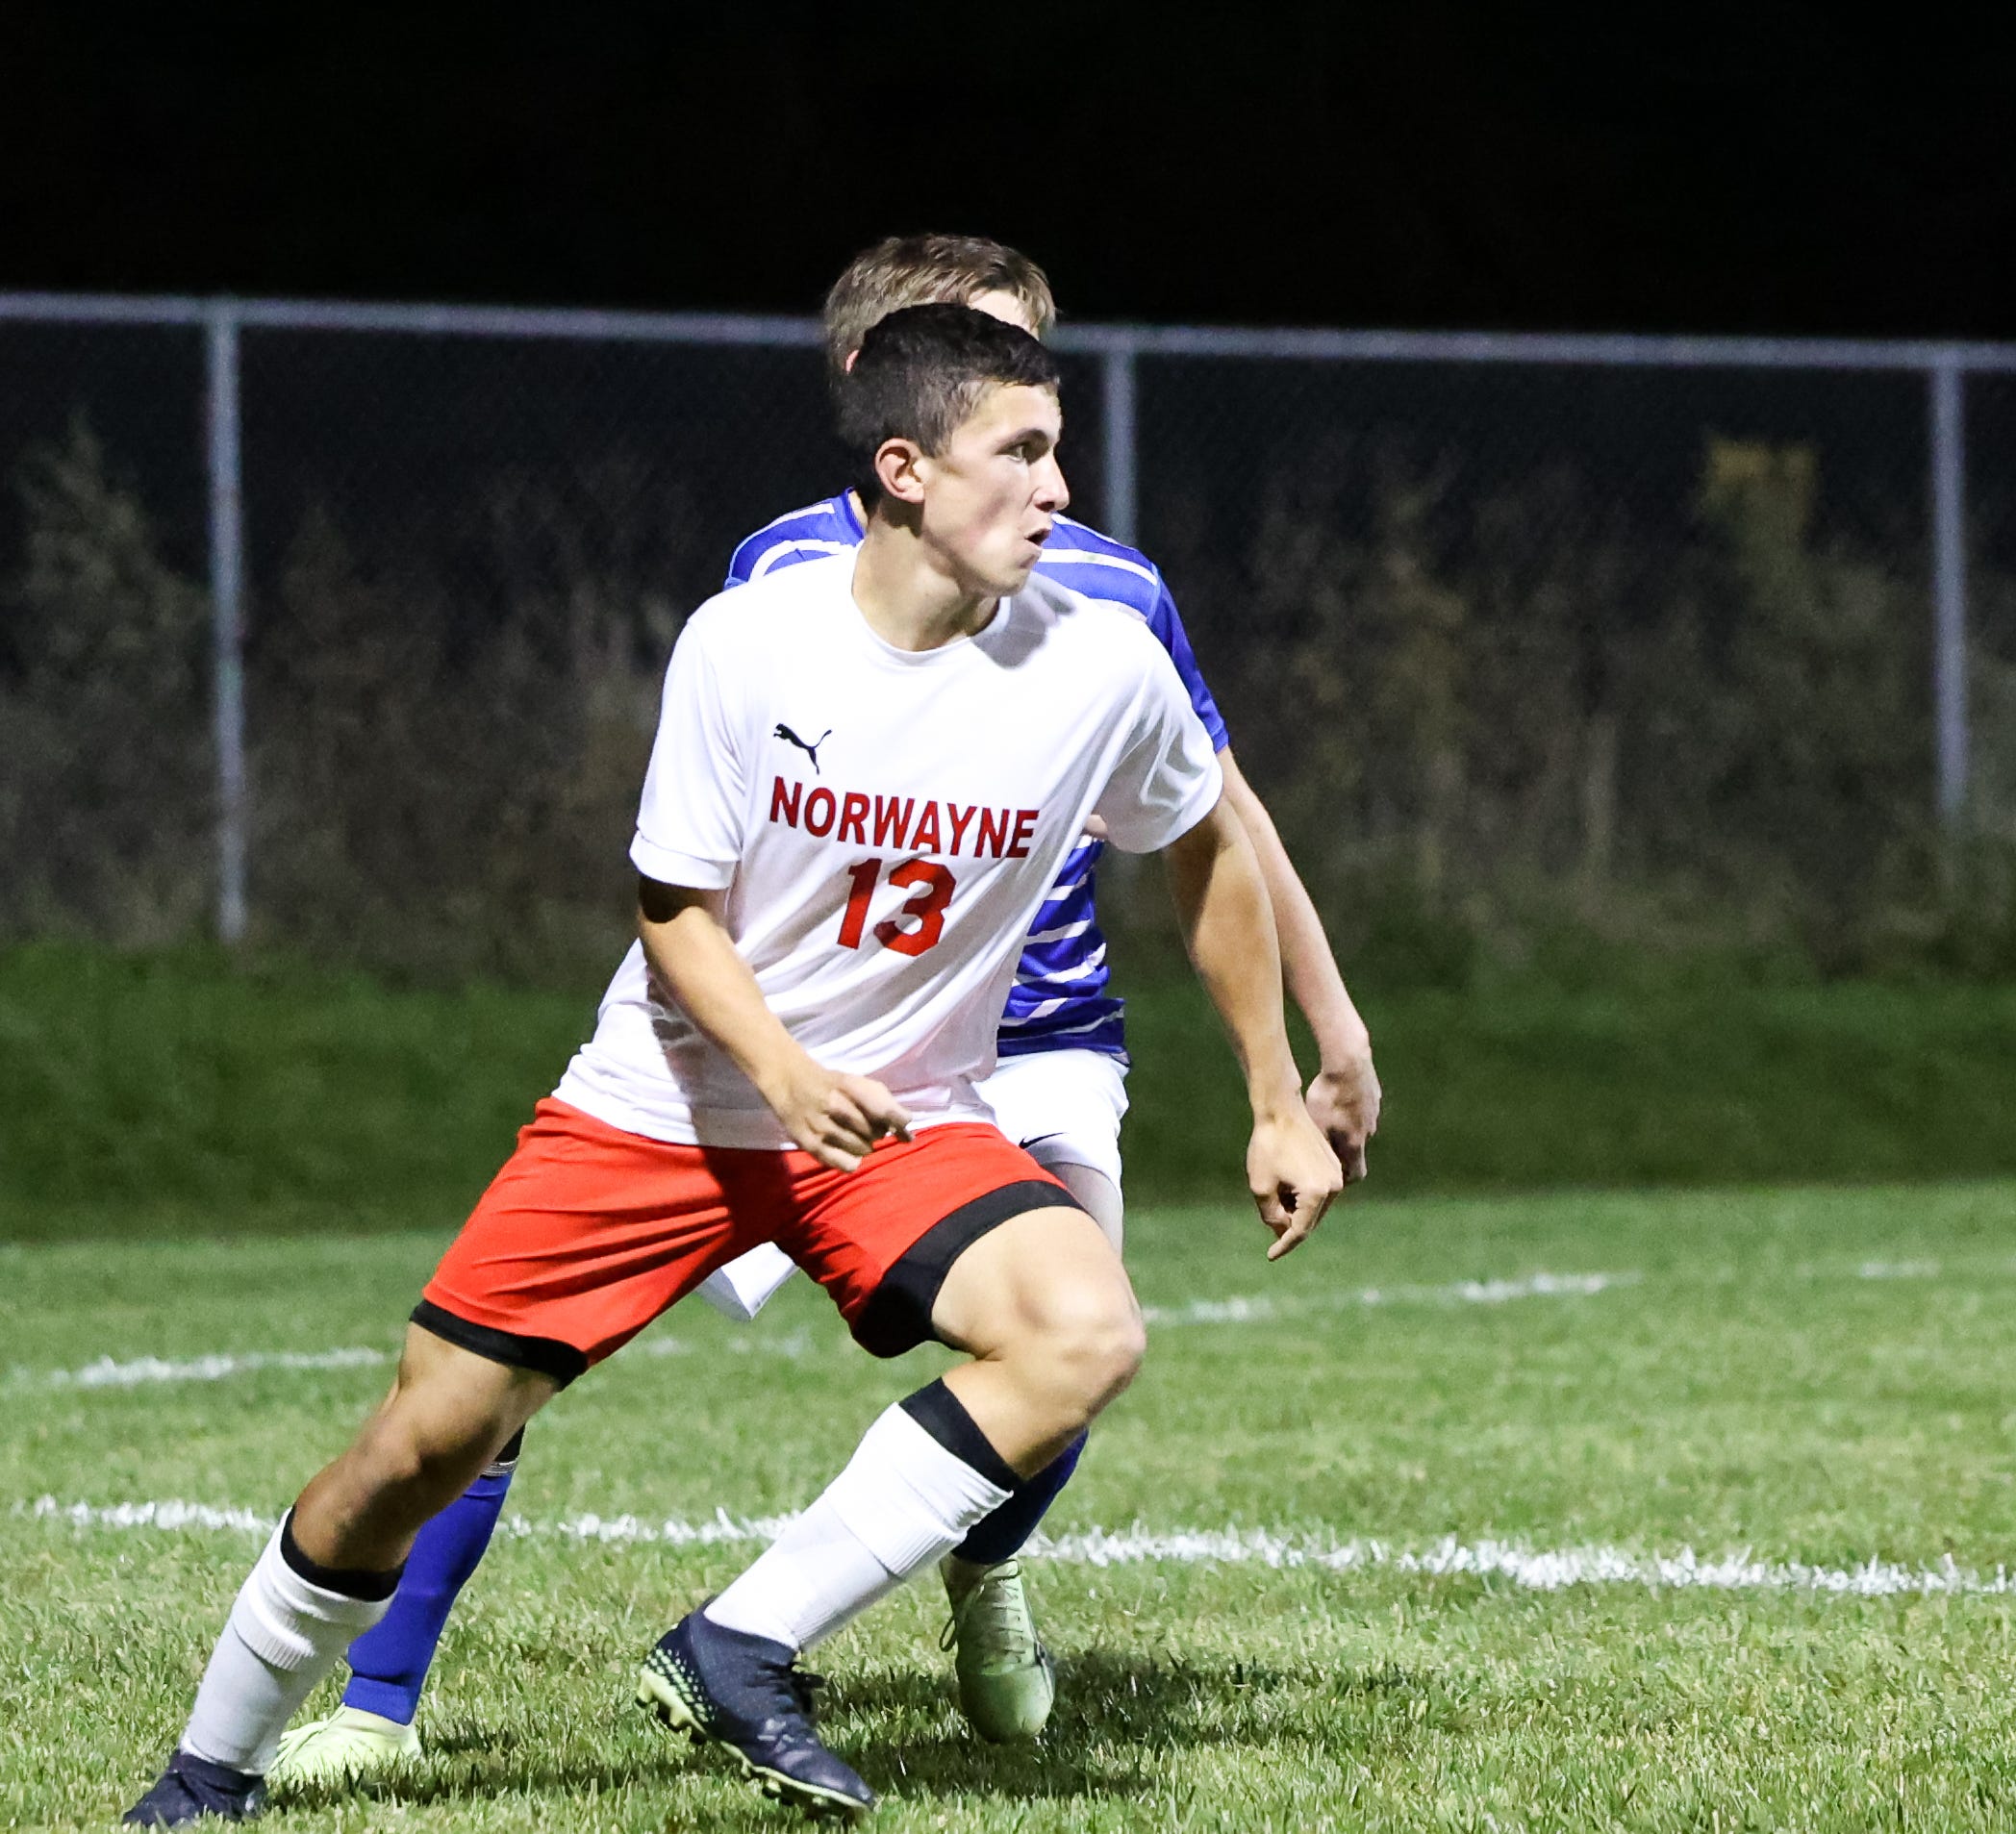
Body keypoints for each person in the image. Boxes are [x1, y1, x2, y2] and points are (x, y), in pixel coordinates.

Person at [125, 303, 1345, 1824]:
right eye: (1018, 454)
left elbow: (1211, 845)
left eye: (1059, 453)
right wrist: (776, 1071)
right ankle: (207, 1770)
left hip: (900, 1120)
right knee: (421, 1443)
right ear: (903, 470)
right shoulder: (752, 638)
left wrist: (1278, 1092)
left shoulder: (1099, 665)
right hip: (669, 1105)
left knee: (1082, 1331)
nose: (1057, 491)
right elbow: (670, 909)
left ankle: (739, 1644)